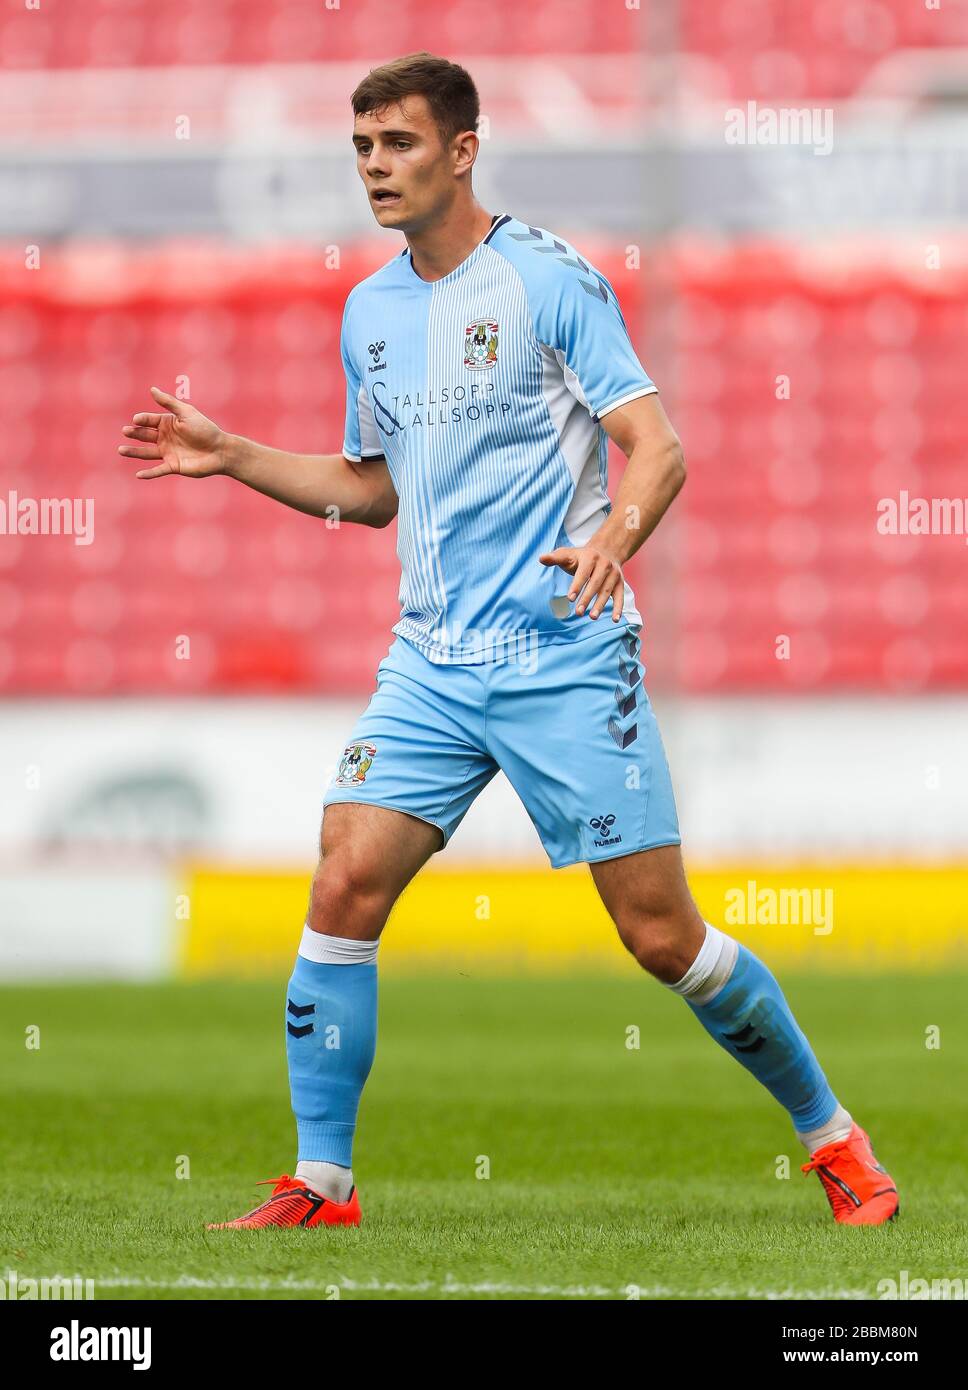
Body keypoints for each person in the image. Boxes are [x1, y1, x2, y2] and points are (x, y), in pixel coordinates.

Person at [119, 52, 898, 1231]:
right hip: (432, 661)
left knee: (657, 932)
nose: (376, 169)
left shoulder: (548, 282)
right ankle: (321, 1185)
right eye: (363, 149)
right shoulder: (367, 310)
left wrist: (612, 543)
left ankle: (833, 1139)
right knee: (342, 879)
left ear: (464, 150)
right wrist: (232, 456)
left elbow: (659, 446)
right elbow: (371, 491)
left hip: (565, 653)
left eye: (401, 146)